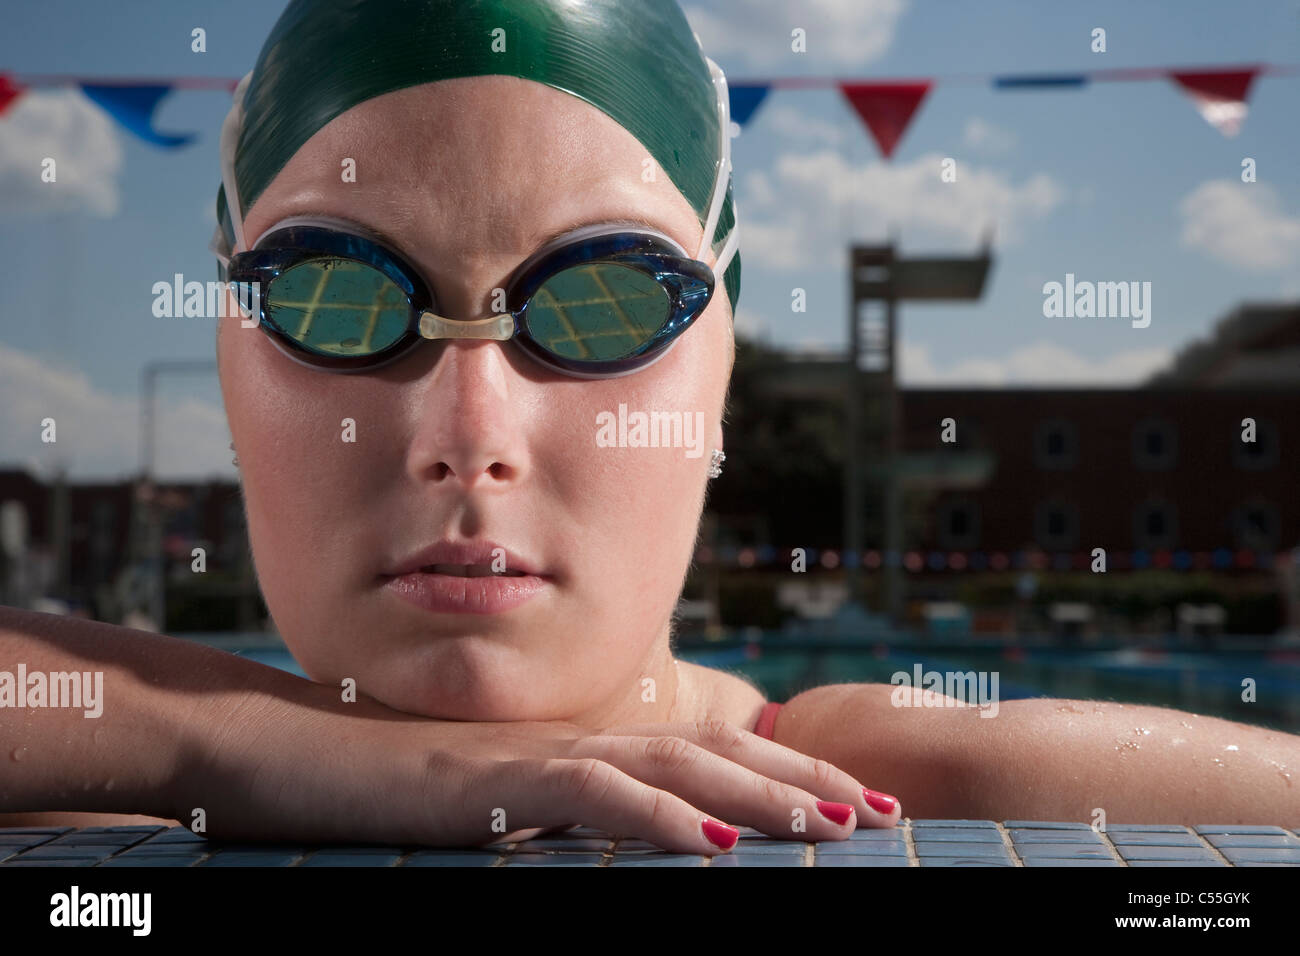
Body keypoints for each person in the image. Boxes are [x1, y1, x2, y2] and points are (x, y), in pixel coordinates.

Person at [2, 0, 1297, 851]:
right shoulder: (106, 765)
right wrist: (297, 756)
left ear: (717, 382)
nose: (469, 431)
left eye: (604, 300)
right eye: (337, 301)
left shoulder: (908, 778)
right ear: (233, 371)